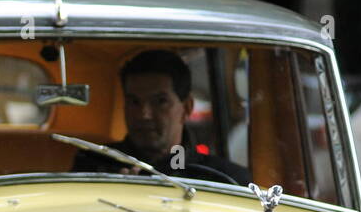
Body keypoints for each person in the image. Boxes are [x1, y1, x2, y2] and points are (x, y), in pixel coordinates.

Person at [71, 48, 251, 184]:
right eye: (134, 102)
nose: (144, 114)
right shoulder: (93, 166)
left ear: (187, 107)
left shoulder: (222, 179)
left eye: (160, 101)